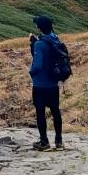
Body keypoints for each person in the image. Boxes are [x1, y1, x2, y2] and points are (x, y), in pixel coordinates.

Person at [28, 14, 65, 150]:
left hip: (40, 84)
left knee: (40, 112)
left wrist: (31, 73)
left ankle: (44, 142)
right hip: (53, 83)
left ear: (39, 27)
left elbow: (37, 65)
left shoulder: (39, 44)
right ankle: (59, 141)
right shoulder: (55, 39)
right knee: (55, 111)